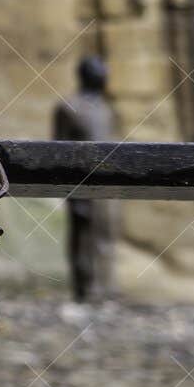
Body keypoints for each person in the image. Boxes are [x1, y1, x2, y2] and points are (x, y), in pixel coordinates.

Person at [53, 55, 118, 301]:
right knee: (83, 238)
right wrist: (70, 191)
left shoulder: (105, 107)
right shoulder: (69, 107)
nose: (104, 75)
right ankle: (85, 289)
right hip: (80, 183)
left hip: (107, 186)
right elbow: (56, 151)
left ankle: (106, 286)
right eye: (98, 71)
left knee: (106, 236)